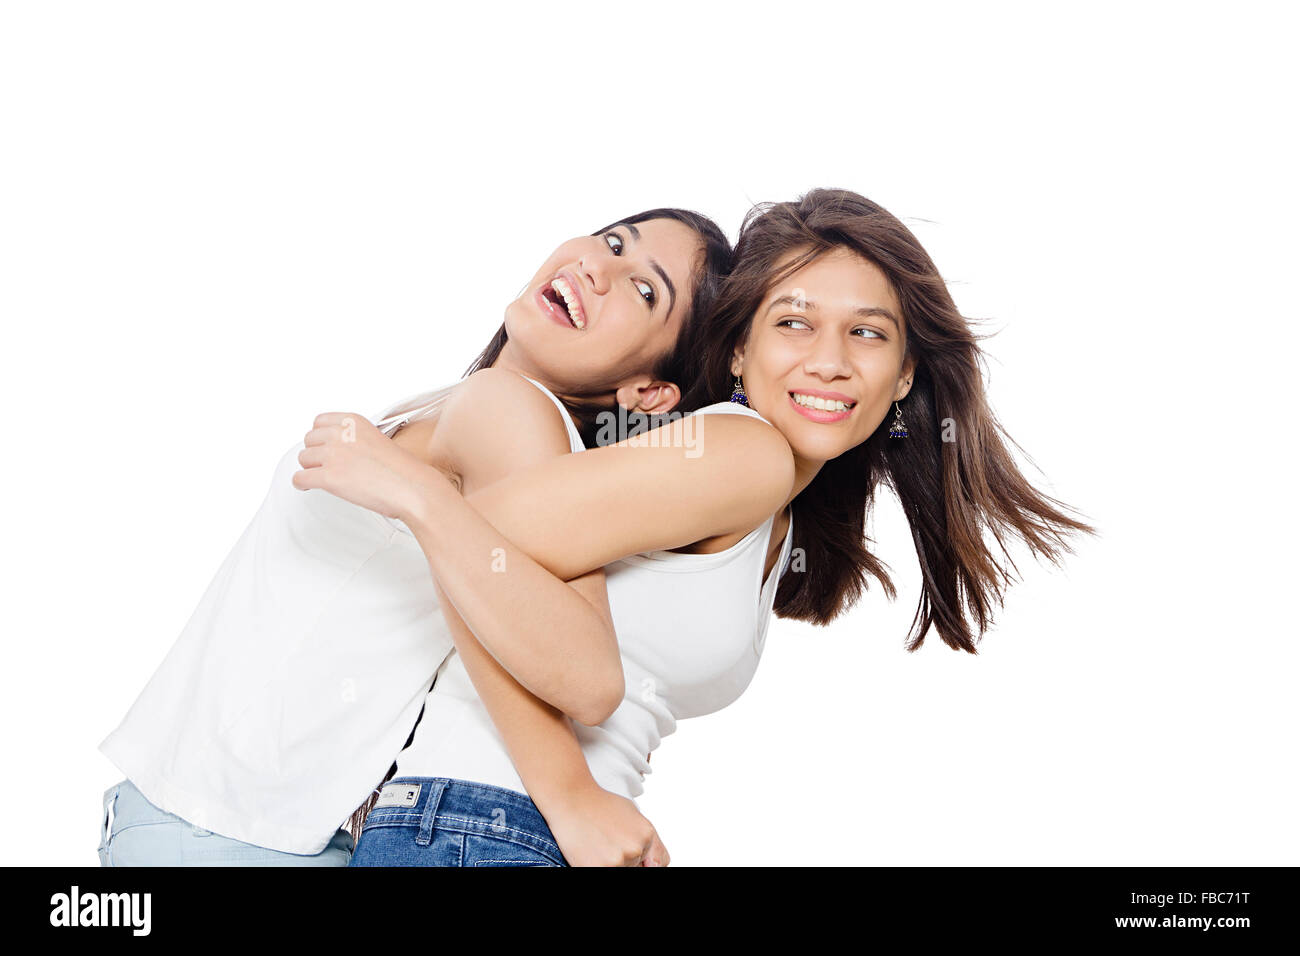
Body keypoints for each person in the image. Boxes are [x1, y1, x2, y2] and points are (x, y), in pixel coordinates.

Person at [295, 188, 1097, 866]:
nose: (829, 360)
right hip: (484, 824)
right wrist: (571, 795)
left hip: (490, 829)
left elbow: (491, 551)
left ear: (905, 374)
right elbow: (472, 540)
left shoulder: (765, 499)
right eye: (793, 322)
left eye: (867, 332)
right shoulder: (742, 453)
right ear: (740, 351)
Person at [96, 207, 731, 866]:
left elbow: (590, 678)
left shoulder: (515, 411)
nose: (599, 268)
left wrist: (417, 497)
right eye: (612, 241)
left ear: (649, 391)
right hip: (234, 828)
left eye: (644, 289)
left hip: (225, 826)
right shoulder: (476, 405)